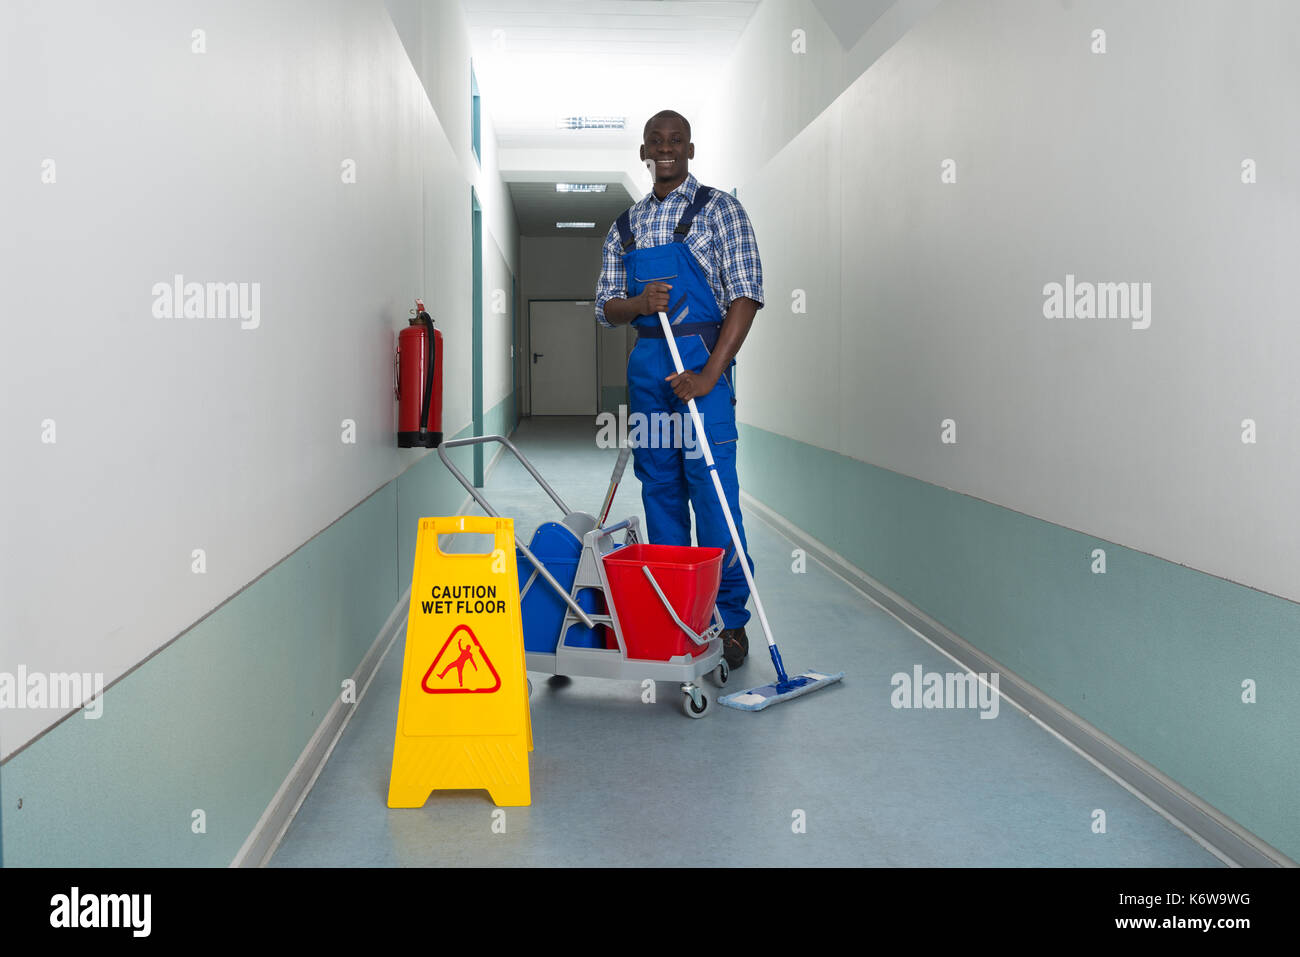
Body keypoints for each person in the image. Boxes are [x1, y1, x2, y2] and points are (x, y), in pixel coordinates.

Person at [594, 109, 764, 669]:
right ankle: (675, 614)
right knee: (659, 490)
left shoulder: (721, 211)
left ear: (690, 148)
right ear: (645, 150)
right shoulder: (626, 226)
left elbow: (746, 295)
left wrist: (711, 374)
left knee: (713, 495)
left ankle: (730, 620)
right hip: (648, 368)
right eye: (656, 142)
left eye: (676, 141)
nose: (666, 150)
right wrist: (640, 305)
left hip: (702, 362)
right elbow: (605, 307)